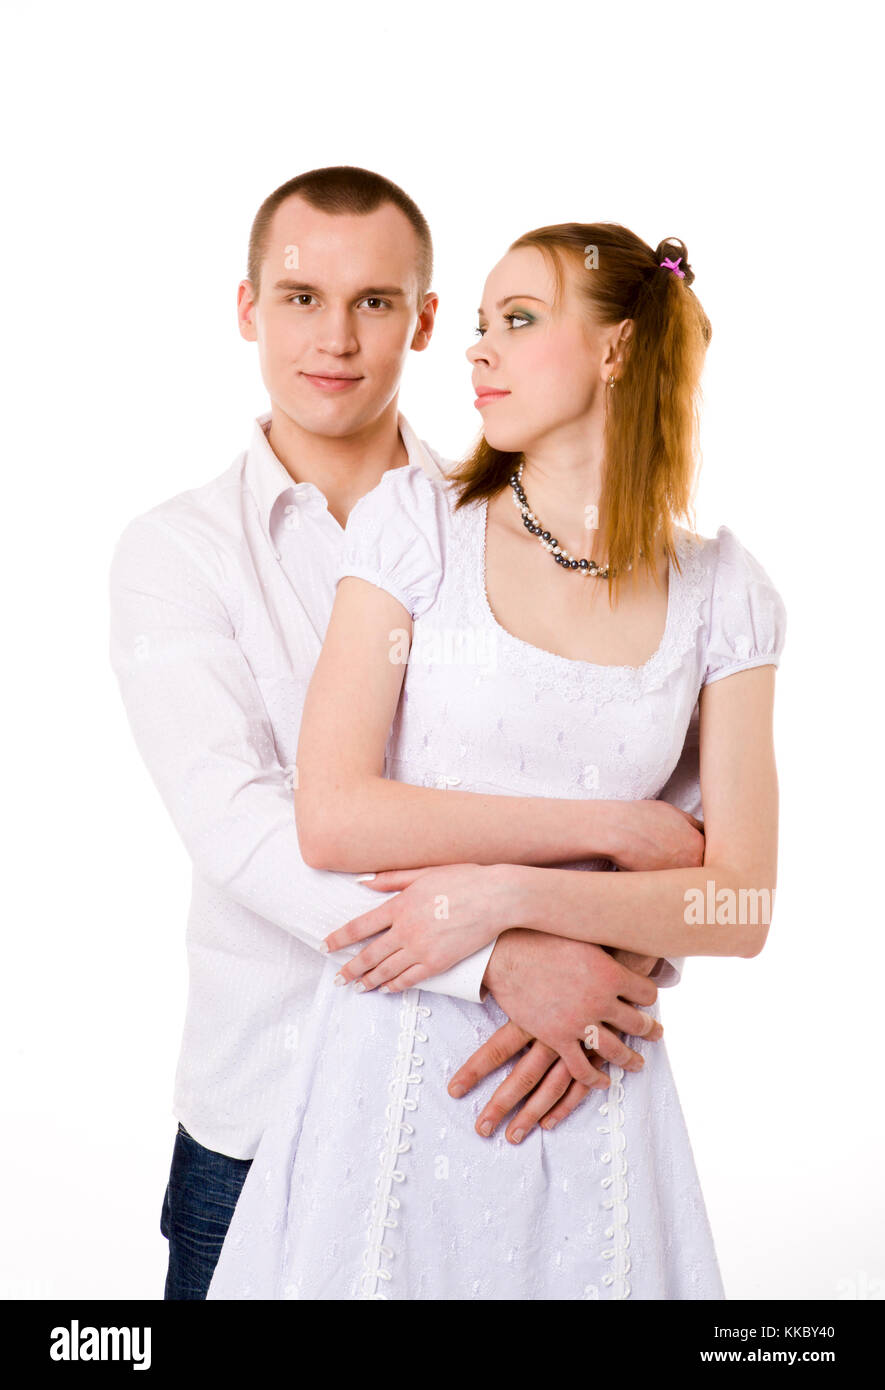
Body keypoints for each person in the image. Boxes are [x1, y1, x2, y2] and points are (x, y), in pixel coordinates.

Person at [108, 169, 687, 1300]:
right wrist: (500, 958)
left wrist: (610, 946)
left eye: (376, 301)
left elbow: (646, 778)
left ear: (425, 321)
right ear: (246, 309)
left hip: (484, 1104)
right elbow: (246, 828)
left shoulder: (528, 535)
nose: (335, 336)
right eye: (299, 298)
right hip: (264, 1109)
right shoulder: (174, 554)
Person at [205, 221, 787, 1300]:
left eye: (517, 321)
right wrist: (615, 834)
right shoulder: (414, 529)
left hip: (595, 1084)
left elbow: (736, 909)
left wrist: (497, 899)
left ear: (616, 351)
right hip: (394, 1057)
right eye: (478, 324)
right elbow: (334, 814)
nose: (477, 350)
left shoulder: (723, 597)